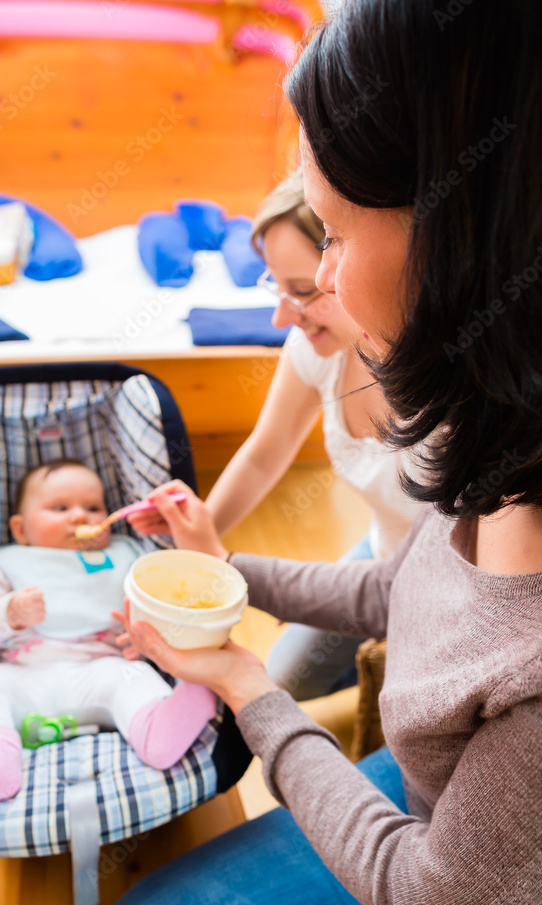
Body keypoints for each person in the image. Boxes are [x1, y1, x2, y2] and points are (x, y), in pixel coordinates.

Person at [88, 2, 542, 905]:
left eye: (332, 239)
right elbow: (400, 588)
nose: (316, 295)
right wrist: (221, 578)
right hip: (432, 801)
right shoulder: (500, 444)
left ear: (471, 240)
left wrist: (250, 686)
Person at [132, 169, 423, 701]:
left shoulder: (452, 393)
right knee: (286, 676)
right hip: (380, 561)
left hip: (443, 596)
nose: (278, 317)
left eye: (303, 292)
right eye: (275, 285)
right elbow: (265, 455)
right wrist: (191, 551)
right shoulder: (317, 350)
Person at [0, 459, 217, 801]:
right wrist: (10, 612)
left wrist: (148, 641)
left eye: (93, 507)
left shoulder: (125, 558)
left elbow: (157, 606)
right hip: (21, 675)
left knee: (134, 677)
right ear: (20, 530)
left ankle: (160, 731)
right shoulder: (10, 564)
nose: (80, 517)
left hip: (103, 669)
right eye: (60, 508)